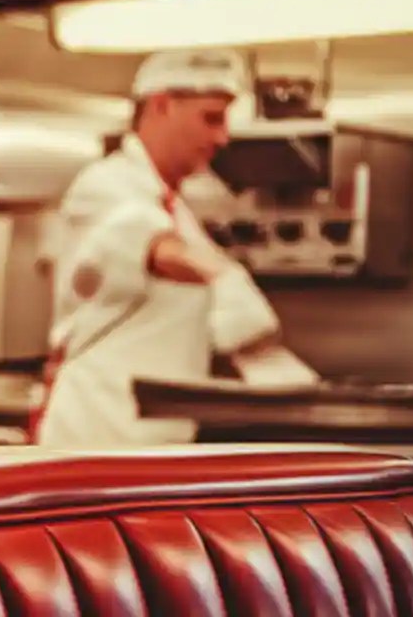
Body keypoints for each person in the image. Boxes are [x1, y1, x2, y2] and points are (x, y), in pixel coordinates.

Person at [33, 48, 318, 448]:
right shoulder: (105, 185)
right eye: (211, 118)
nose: (222, 138)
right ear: (162, 105)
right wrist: (229, 283)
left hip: (153, 439)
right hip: (96, 434)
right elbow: (161, 252)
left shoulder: (175, 208)